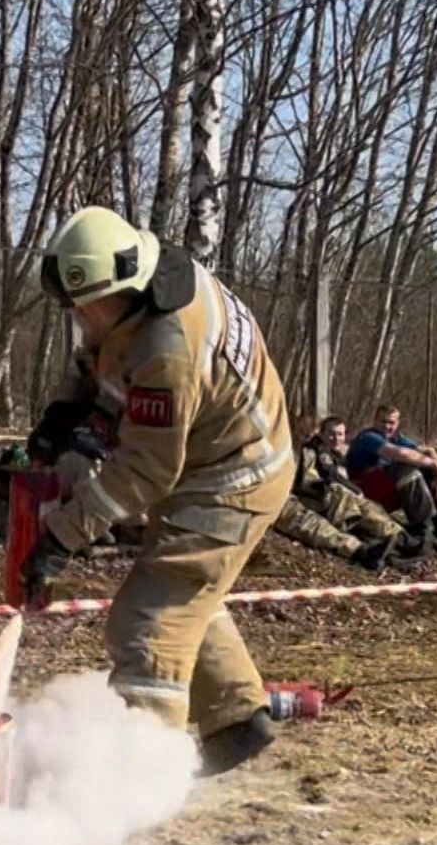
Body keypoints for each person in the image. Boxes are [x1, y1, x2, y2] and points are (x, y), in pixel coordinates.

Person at [22, 205, 291, 777]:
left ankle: (140, 781)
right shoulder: (152, 279)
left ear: (116, 288)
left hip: (232, 480)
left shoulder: (169, 346)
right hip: (217, 459)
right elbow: (104, 352)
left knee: (145, 623)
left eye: (86, 307)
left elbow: (146, 471)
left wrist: (59, 538)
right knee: (184, 593)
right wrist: (65, 410)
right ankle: (237, 721)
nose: (81, 319)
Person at [273, 417, 422, 571]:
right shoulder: (306, 451)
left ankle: (399, 538)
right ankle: (360, 549)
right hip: (281, 497)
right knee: (310, 519)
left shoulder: (327, 453)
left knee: (362, 504)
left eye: (340, 434)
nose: (335, 439)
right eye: (331, 434)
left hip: (315, 496)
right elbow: (307, 481)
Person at [345, 403, 437, 555]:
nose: (387, 426)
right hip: (366, 494)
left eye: (391, 422)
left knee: (427, 470)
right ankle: (424, 529)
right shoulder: (368, 437)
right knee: (407, 468)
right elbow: (400, 454)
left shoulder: (397, 438)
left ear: (398, 423)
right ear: (374, 421)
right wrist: (434, 466)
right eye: (382, 421)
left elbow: (428, 452)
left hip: (389, 490)